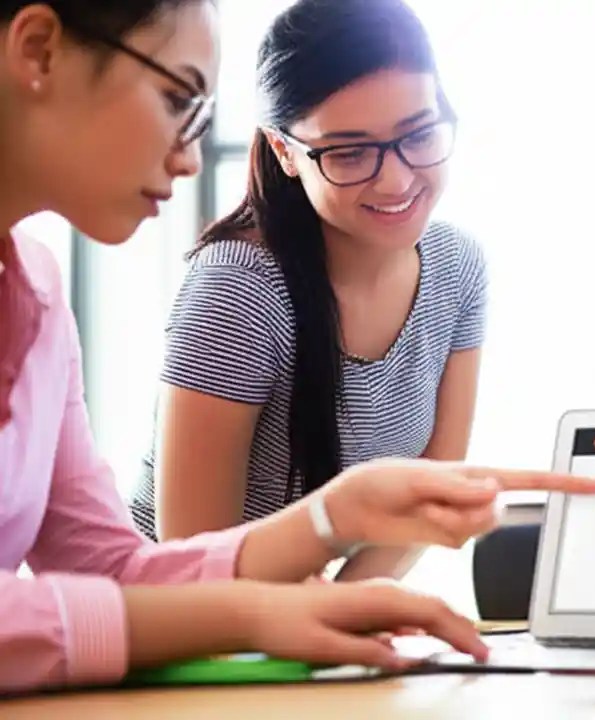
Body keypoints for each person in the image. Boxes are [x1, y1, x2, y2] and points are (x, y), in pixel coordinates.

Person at [0, 0, 595, 694]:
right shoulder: (241, 281)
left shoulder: (38, 292)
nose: (190, 158)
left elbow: (109, 571)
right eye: (176, 99)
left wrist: (333, 519)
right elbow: (151, 574)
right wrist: (254, 614)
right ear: (38, 50)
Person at [125, 0, 481, 579]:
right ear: (285, 151)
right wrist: (328, 618)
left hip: (298, 613)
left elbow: (432, 490)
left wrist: (349, 611)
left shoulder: (457, 267)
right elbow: (194, 559)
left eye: (418, 134)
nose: (396, 179)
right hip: (165, 611)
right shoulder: (240, 288)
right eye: (350, 152)